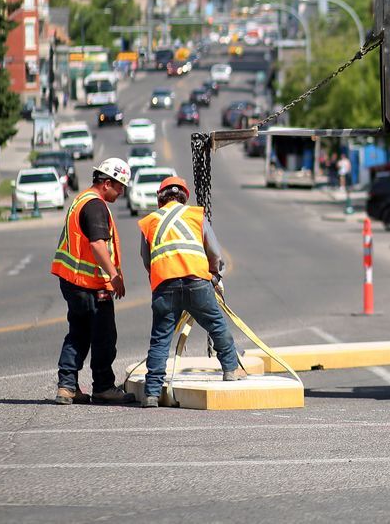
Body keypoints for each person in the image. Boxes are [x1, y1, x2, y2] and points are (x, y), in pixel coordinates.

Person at [138, 176, 246, 408]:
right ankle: (230, 369)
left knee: (160, 339)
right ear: (184, 196)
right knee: (216, 325)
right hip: (197, 282)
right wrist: (215, 275)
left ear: (160, 197)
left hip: (165, 286)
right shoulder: (195, 215)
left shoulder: (149, 222)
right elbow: (214, 252)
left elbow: (147, 260)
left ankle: (152, 393)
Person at [51, 157, 135, 405]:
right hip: (90, 284)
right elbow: (98, 245)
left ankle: (67, 386)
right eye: (119, 186)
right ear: (107, 183)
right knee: (103, 336)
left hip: (73, 281)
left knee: (78, 333)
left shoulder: (80, 200)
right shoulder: (95, 206)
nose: (121, 192)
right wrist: (114, 275)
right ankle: (103, 387)